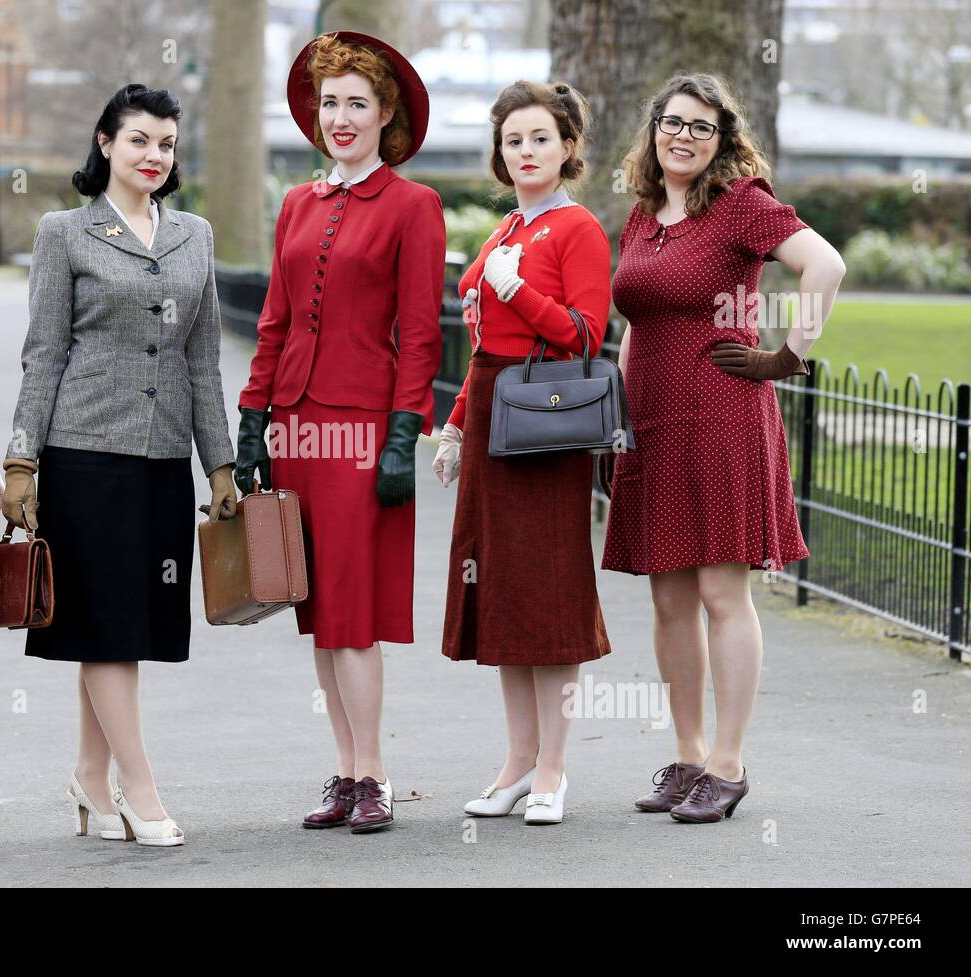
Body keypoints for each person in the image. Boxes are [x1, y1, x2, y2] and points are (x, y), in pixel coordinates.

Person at [602, 73, 845, 822]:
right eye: (672, 123)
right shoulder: (644, 215)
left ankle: (729, 765)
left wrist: (787, 357)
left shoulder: (741, 204)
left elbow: (825, 264)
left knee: (719, 593)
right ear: (654, 129)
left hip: (721, 413)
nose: (683, 137)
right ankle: (687, 755)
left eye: (700, 128)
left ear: (722, 141)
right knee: (669, 598)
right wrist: (614, 412)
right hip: (649, 420)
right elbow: (637, 321)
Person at [1, 84, 237, 848]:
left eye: (166, 144)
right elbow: (44, 354)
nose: (153, 156)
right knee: (105, 629)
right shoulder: (65, 232)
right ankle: (140, 788)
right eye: (138, 140)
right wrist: (21, 460)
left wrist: (222, 467)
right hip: (84, 454)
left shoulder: (196, 236)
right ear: (105, 143)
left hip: (164, 458)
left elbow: (204, 363)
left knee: (125, 628)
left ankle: (88, 777)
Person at [235, 31, 445, 834]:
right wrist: (253, 421)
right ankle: (344, 769)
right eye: (330, 104)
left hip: (362, 431)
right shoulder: (297, 203)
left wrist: (403, 437)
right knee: (317, 608)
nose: (342, 117)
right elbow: (275, 320)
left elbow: (422, 336)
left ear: (385, 114)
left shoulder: (413, 206)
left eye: (358, 103)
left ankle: (376, 777)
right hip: (294, 425)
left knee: (353, 611)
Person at [435, 81, 611, 825]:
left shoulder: (578, 230)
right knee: (502, 591)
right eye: (513, 140)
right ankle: (515, 760)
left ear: (567, 146)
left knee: (548, 592)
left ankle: (553, 768)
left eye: (540, 137)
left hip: (545, 423)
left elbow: (586, 335)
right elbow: (482, 347)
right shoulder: (503, 230)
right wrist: (452, 425)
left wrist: (518, 292)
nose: (526, 151)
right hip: (490, 417)